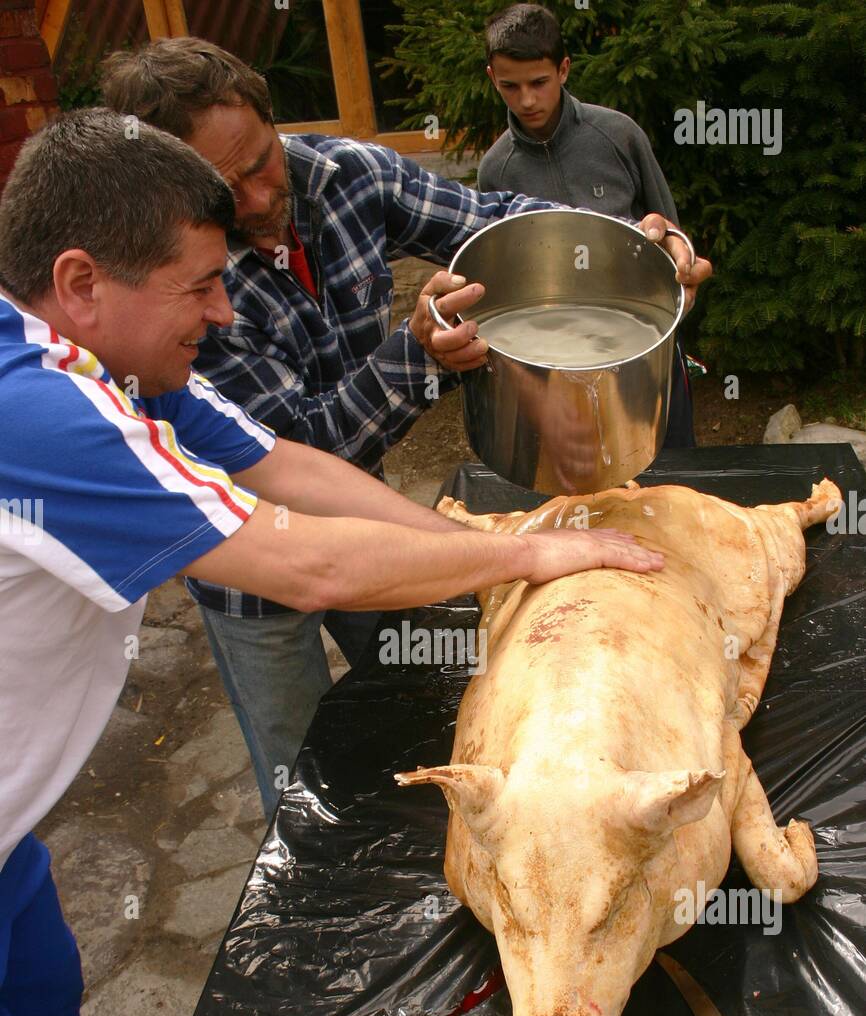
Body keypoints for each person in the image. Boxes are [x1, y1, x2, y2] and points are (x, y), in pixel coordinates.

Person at [0, 108, 665, 1016]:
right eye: (201, 287)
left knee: (44, 1000)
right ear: (80, 282)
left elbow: (284, 467)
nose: (223, 309)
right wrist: (520, 565)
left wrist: (491, 534)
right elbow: (296, 559)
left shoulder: (111, 369)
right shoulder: (42, 414)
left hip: (8, 838)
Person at [100, 37, 710, 817]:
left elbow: (498, 220)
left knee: (426, 707)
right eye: (224, 187)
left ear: (271, 121)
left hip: (362, 507)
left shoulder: (343, 176)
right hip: (249, 571)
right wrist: (419, 358)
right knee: (301, 788)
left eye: (260, 159)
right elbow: (300, 452)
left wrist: (635, 240)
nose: (256, 198)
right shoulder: (174, 291)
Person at [478, 3, 698, 451]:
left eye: (539, 83)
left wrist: (681, 267)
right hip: (552, 369)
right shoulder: (495, 171)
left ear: (563, 69)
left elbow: (670, 233)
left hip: (642, 356)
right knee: (577, 500)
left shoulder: (618, 136)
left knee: (670, 478)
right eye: (510, 86)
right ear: (491, 78)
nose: (527, 101)